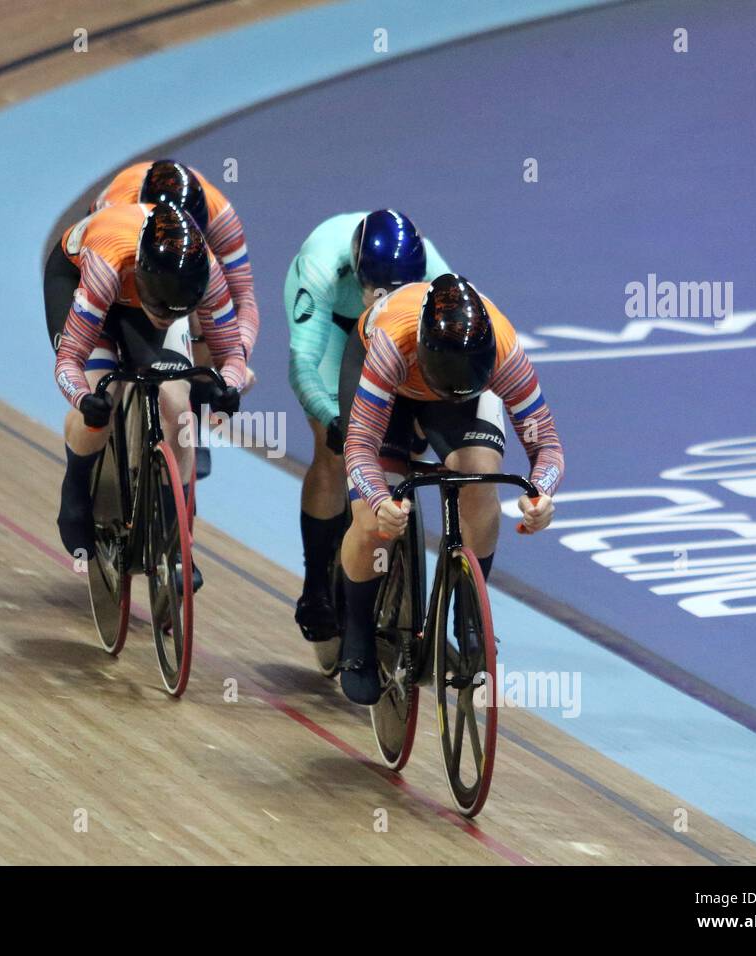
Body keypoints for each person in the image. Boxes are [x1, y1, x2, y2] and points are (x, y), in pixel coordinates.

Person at [335, 274, 563, 705]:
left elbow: (546, 446)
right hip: (392, 385)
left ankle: (468, 616)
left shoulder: (505, 353)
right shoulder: (390, 345)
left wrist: (542, 493)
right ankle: (358, 635)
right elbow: (360, 446)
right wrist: (380, 500)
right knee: (372, 524)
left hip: (456, 391)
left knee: (479, 478)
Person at [45, 203, 246, 588]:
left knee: (179, 410)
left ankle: (177, 546)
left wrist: (229, 385)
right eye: (162, 309)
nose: (168, 318)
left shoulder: (207, 273)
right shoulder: (105, 268)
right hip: (83, 281)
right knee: (103, 393)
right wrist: (86, 400)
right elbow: (69, 361)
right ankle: (75, 490)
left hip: (146, 292)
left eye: (179, 312)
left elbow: (230, 355)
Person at [285, 210, 451, 643]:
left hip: (401, 341)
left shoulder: (437, 275)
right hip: (337, 329)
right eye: (380, 294)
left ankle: (388, 567)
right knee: (333, 449)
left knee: (405, 448)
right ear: (358, 276)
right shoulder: (322, 264)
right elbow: (303, 364)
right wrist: (333, 417)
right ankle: (316, 588)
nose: (388, 304)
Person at [94, 160, 259, 478]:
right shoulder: (120, 210)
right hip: (125, 260)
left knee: (207, 314)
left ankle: (191, 424)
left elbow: (244, 301)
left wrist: (236, 358)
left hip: (178, 268)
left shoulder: (222, 219)